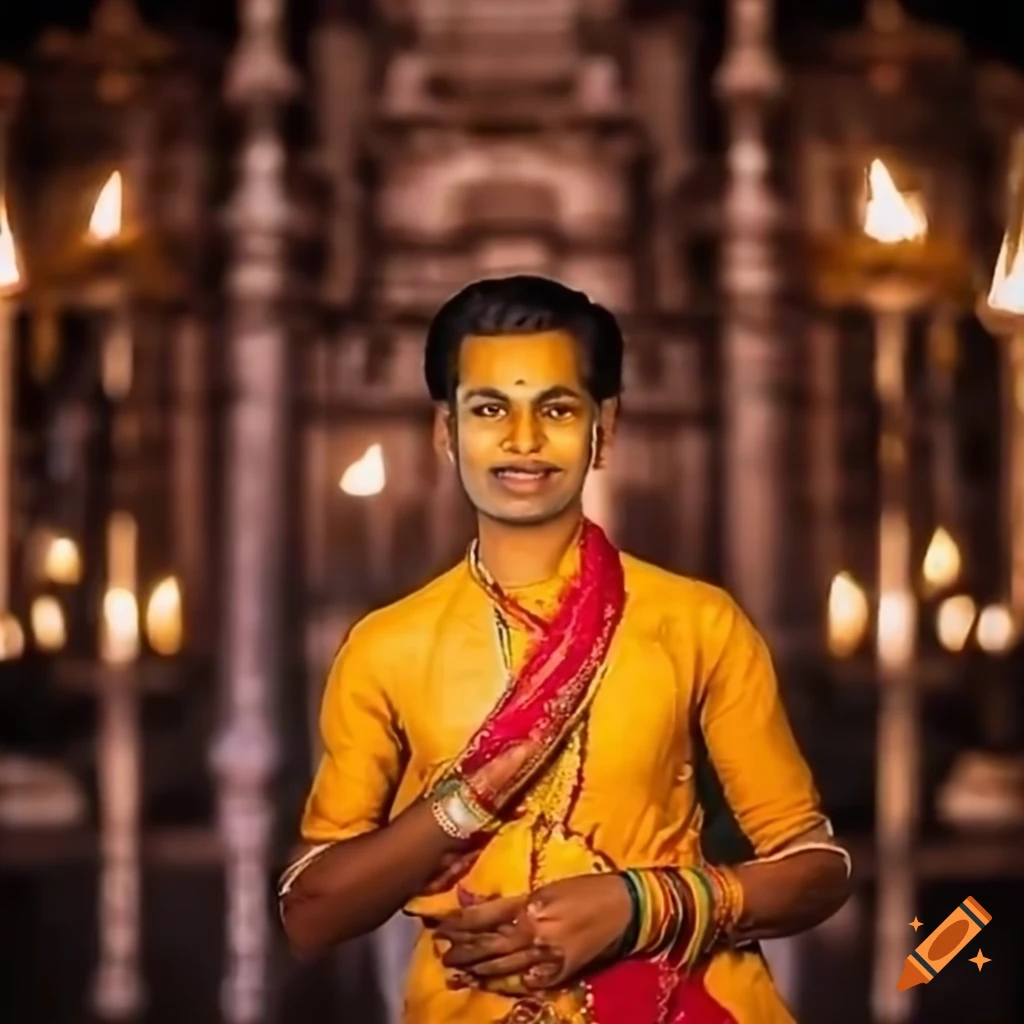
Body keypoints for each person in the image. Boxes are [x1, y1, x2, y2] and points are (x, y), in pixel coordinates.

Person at [278, 276, 852, 1024]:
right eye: (489, 409)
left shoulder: (694, 622)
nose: (523, 439)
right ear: (446, 430)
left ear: (603, 429)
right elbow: (311, 912)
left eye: (556, 409)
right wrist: (463, 804)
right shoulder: (387, 646)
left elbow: (816, 870)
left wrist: (639, 905)